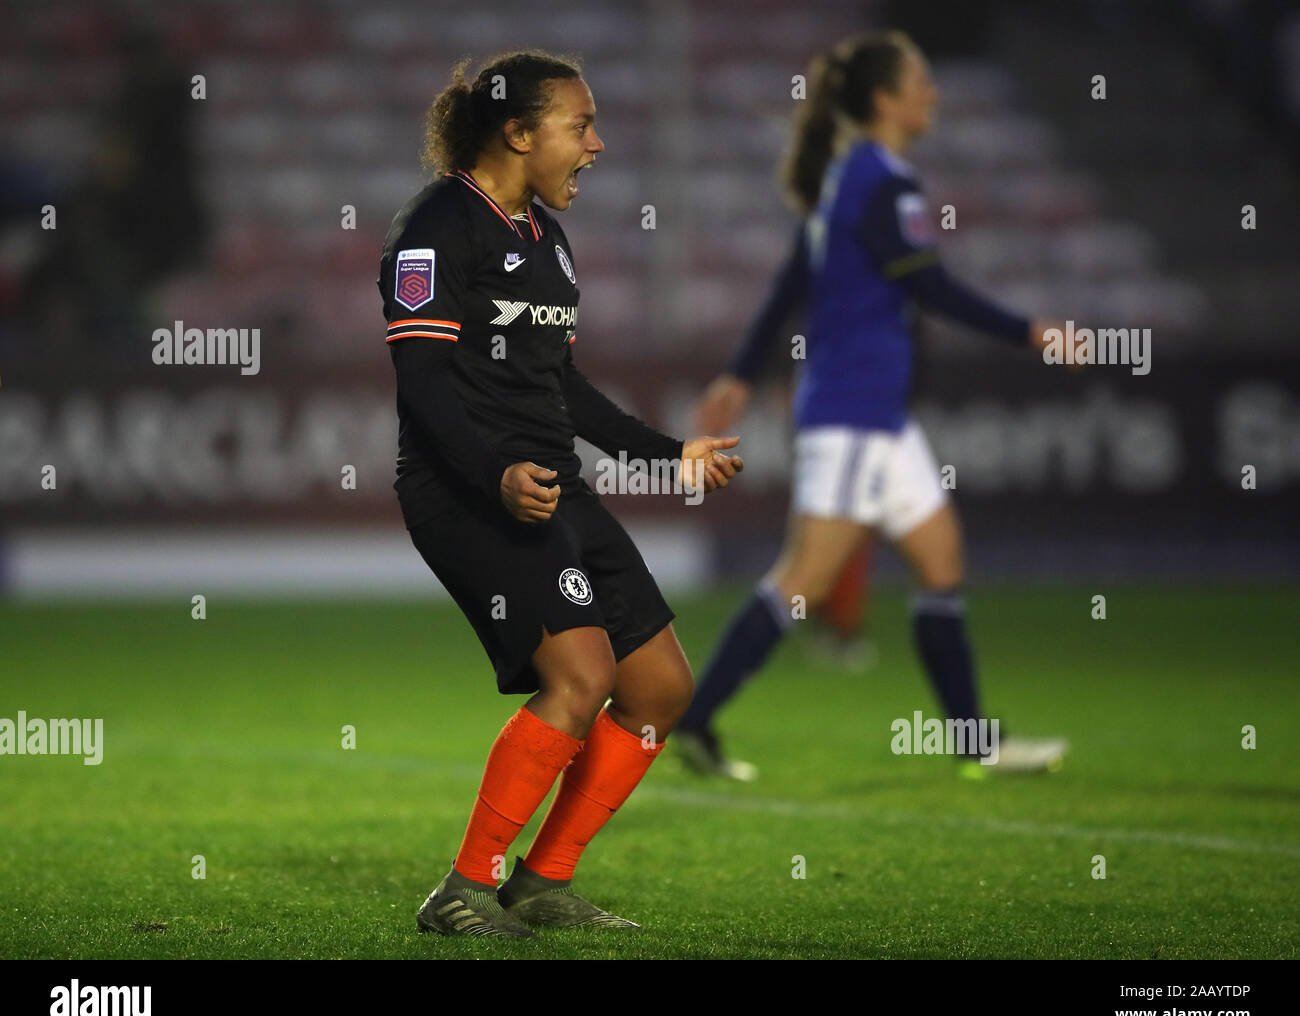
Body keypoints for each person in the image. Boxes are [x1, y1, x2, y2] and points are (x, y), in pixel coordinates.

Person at [378, 51, 743, 937]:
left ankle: (542, 882)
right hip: (467, 489)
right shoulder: (436, 230)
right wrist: (493, 474)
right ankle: (463, 889)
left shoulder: (549, 241)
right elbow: (423, 382)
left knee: (658, 687)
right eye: (580, 126)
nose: (597, 143)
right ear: (518, 131)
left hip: (553, 486)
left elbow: (563, 390)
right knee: (580, 676)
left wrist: (668, 453)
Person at [676, 31, 1067, 780]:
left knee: (941, 561)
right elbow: (930, 287)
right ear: (887, 100)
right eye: (922, 81)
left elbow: (793, 279)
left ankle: (975, 743)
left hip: (877, 417)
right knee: (803, 583)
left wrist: (740, 373)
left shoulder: (849, 178)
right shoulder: (883, 183)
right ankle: (693, 716)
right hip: (852, 412)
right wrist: (1031, 331)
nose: (935, 94)